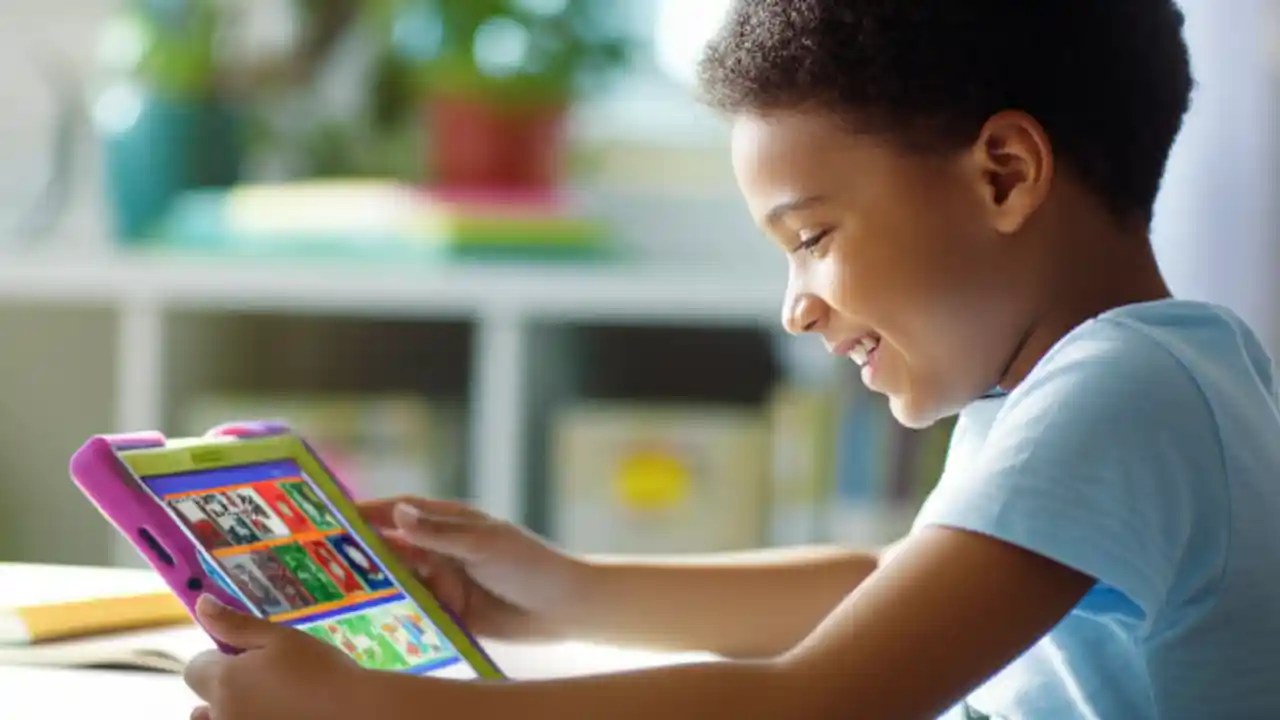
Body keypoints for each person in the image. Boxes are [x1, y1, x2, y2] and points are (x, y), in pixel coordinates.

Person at [181, 1, 1280, 718]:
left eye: (810, 237)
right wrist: (559, 591)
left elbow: (822, 700)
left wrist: (379, 711)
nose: (796, 308)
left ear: (1000, 174)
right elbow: (884, 594)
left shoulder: (1122, 392)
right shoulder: (1133, 374)